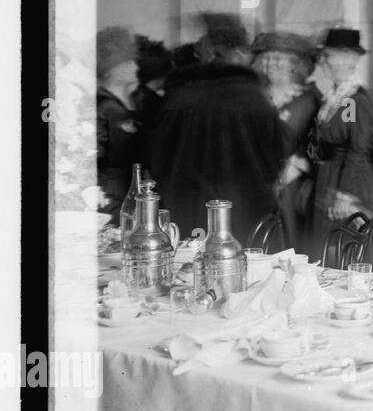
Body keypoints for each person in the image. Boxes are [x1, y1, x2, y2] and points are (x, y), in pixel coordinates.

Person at [149, 14, 282, 241]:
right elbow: (276, 153)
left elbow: (156, 156)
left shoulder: (182, 95)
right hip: (244, 210)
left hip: (188, 207)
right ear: (238, 53)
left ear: (209, 50)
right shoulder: (253, 96)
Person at [307, 27, 373, 264]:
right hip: (328, 177)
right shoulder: (334, 96)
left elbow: (358, 150)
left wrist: (344, 195)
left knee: (349, 250)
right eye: (332, 56)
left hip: (349, 182)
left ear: (355, 60)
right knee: (329, 250)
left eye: (345, 57)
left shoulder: (354, 100)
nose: (337, 63)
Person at [252, 31, 321, 250]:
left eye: (279, 59)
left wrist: (284, 177)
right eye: (268, 58)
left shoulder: (308, 99)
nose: (271, 64)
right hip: (254, 181)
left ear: (294, 64)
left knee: (287, 245)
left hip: (291, 186)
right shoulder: (255, 95)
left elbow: (315, 146)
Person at [96, 27, 142, 219]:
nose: (135, 67)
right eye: (129, 62)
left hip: (123, 189)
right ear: (116, 68)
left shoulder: (120, 104)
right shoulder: (106, 107)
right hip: (113, 194)